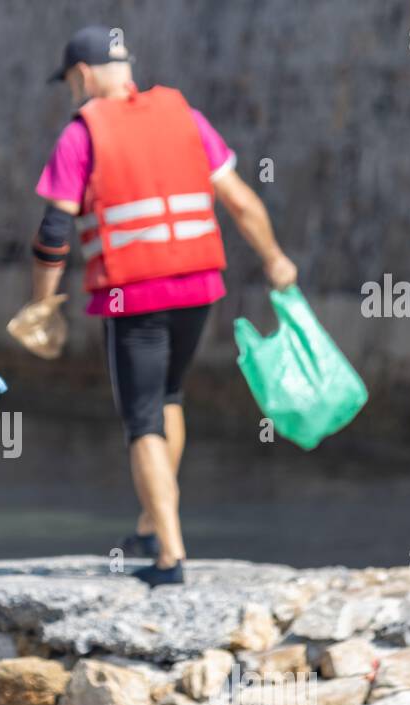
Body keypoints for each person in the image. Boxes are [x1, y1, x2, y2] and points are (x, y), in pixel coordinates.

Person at [24, 26, 298, 587]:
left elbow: (54, 228)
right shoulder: (185, 116)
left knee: (142, 417)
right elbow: (242, 201)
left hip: (134, 296)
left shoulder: (84, 132)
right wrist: (274, 259)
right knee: (169, 397)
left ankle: (170, 556)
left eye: (70, 82)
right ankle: (151, 523)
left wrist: (42, 304)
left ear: (80, 75)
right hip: (199, 289)